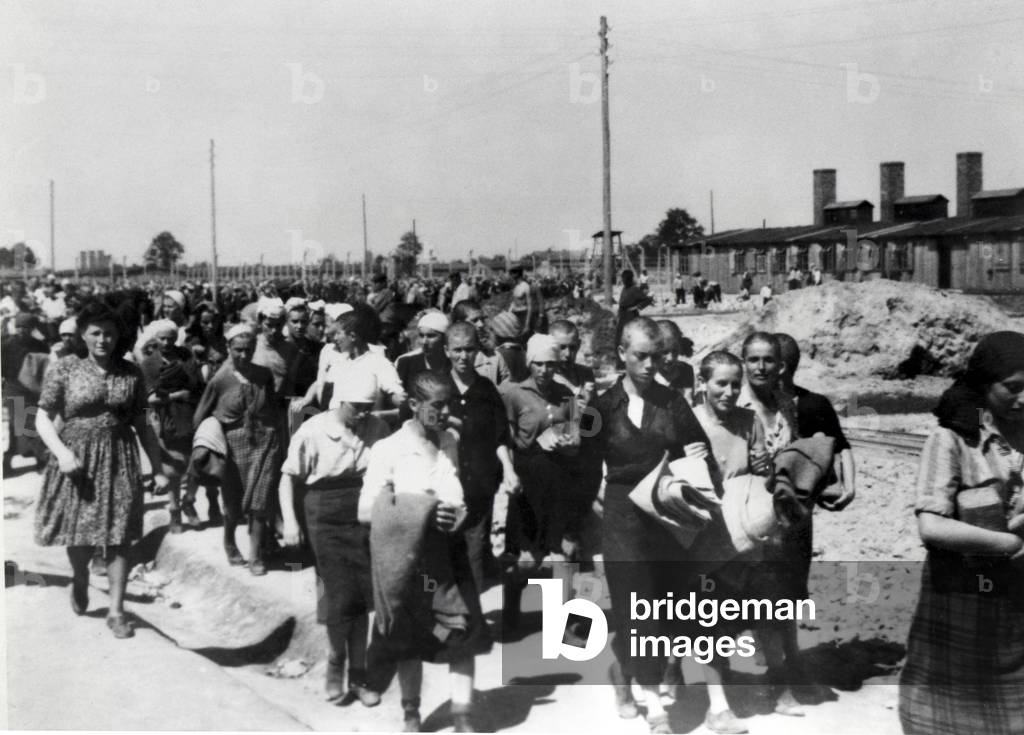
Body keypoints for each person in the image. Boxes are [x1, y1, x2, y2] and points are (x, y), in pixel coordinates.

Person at [585, 317, 711, 734]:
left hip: (665, 513)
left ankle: (637, 674)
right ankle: (654, 705)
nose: (648, 364)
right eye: (639, 356)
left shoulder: (672, 401)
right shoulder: (601, 406)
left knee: (668, 603)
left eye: (654, 357)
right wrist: (594, 498)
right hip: (622, 514)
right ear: (621, 353)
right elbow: (582, 461)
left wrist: (697, 452)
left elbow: (698, 448)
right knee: (633, 605)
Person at [899, 332, 1024, 734]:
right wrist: (1007, 543)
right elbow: (931, 526)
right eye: (1013, 388)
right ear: (984, 385)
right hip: (961, 596)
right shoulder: (950, 438)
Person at [359, 371, 491, 733]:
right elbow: (366, 510)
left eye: (449, 403)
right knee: (410, 640)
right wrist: (423, 512)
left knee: (461, 635)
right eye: (438, 405)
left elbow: (456, 491)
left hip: (451, 554)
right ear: (414, 406)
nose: (446, 411)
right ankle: (411, 713)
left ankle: (463, 716)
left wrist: (454, 514)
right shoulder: (389, 449)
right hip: (412, 560)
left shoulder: (450, 439)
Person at [33, 300, 169, 638]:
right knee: (80, 534)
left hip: (120, 458)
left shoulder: (131, 372)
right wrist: (62, 453)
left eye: (109, 334)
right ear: (83, 334)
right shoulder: (65, 368)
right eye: (96, 333)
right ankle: (80, 578)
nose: (103, 340)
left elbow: (142, 424)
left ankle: (116, 609)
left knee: (120, 535)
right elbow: (40, 417)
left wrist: (158, 468)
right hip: (75, 460)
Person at [278, 369, 389, 705]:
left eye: (370, 406)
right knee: (339, 597)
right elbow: (287, 478)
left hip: (364, 512)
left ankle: (359, 674)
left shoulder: (377, 428)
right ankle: (335, 664)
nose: (365, 413)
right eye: (357, 406)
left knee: (363, 598)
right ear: (340, 401)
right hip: (323, 513)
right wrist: (291, 522)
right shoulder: (313, 431)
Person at [691, 351, 770, 733]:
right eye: (720, 383)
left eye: (735, 384)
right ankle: (717, 707)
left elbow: (760, 471)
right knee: (706, 616)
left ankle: (711, 692)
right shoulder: (688, 420)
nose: (728, 391)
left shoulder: (748, 421)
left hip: (740, 533)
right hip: (701, 534)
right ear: (702, 383)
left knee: (730, 617)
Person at [737, 331, 803, 715]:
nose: (760, 367)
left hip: (781, 518)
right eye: (753, 360)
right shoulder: (734, 400)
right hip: (744, 516)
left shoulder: (786, 404)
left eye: (768, 361)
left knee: (779, 601)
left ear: (780, 366)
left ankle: (778, 684)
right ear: (744, 362)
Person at [193, 324, 282, 575]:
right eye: (238, 350)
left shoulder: (264, 375)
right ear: (228, 348)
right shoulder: (220, 379)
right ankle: (229, 540)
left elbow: (273, 408)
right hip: (233, 447)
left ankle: (255, 554)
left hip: (264, 442)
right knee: (233, 504)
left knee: (260, 501)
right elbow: (200, 417)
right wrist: (209, 444)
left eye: (249, 349)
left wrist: (275, 435)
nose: (243, 355)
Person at [443, 322, 520, 591]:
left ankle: (472, 616)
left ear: (478, 351)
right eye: (457, 350)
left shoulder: (487, 390)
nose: (463, 356)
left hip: (479, 483)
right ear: (447, 351)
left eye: (469, 349)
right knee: (444, 552)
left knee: (474, 546)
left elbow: (499, 436)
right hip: (444, 484)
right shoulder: (437, 387)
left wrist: (509, 471)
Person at [135, 319, 203, 534]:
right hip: (162, 419)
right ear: (155, 339)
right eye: (162, 338)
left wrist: (188, 396)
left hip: (189, 416)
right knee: (172, 467)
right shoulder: (149, 364)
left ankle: (189, 500)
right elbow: (149, 398)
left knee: (197, 461)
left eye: (171, 339)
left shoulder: (186, 357)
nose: (166, 343)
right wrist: (176, 395)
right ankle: (174, 509)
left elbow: (197, 385)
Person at [450, 300, 511, 386]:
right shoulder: (449, 357)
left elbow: (506, 388)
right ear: (459, 323)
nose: (481, 324)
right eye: (474, 320)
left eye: (482, 319)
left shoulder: (494, 356)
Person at [548, 319, 596, 401]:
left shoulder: (585, 374)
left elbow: (593, 411)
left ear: (578, 346)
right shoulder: (543, 378)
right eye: (562, 347)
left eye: (572, 348)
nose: (567, 354)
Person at [655, 320, 695, 405]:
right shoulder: (646, 374)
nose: (670, 358)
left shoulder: (686, 371)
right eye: (664, 352)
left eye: (675, 351)